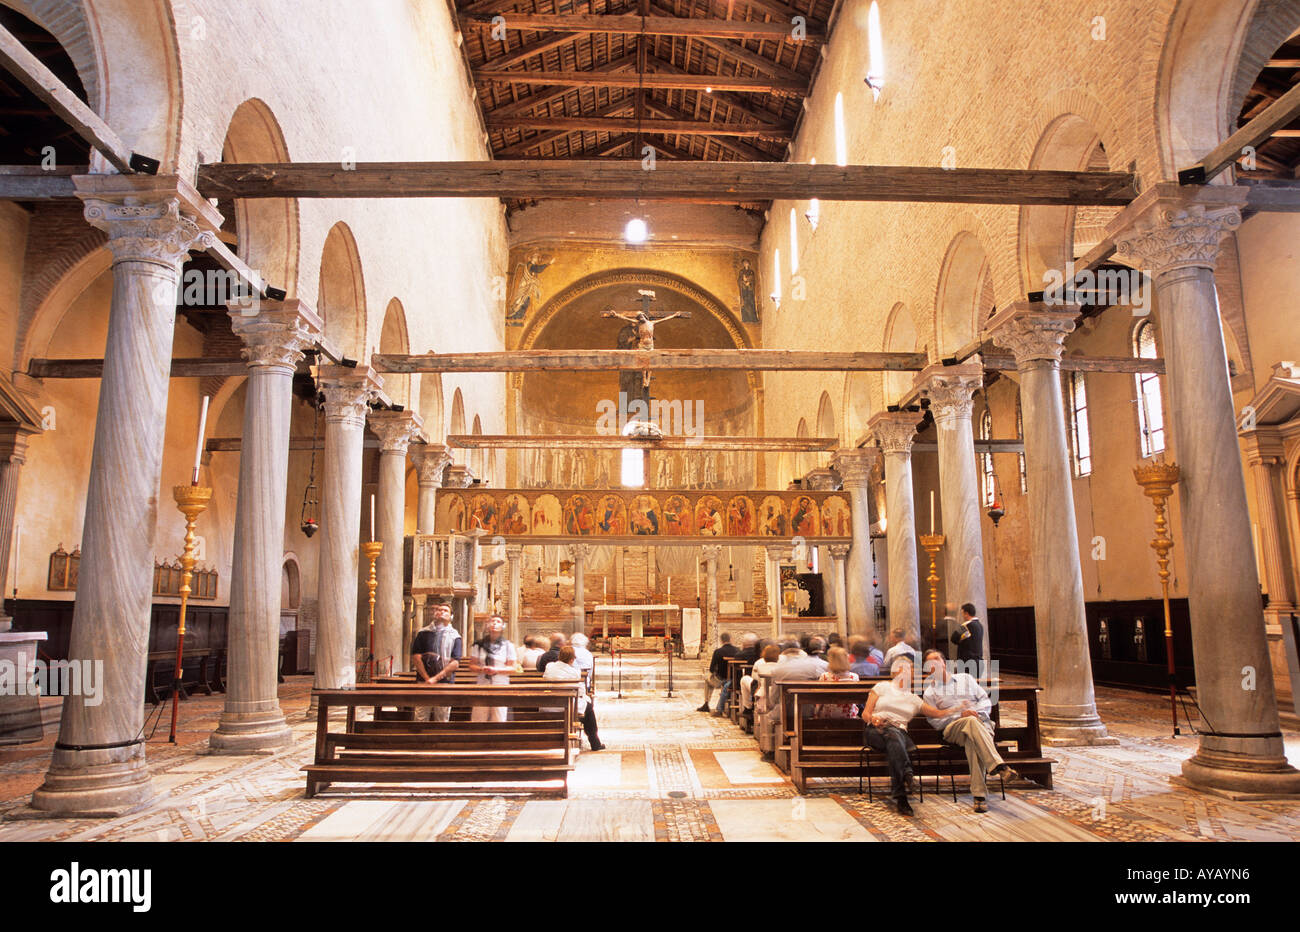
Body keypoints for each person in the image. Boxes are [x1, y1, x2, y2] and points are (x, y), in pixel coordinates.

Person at [860, 655, 952, 816]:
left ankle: (901, 796)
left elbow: (937, 713)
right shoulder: (882, 687)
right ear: (895, 672)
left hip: (897, 735)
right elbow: (865, 714)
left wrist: (957, 709)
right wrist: (873, 719)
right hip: (875, 732)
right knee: (893, 734)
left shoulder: (913, 698)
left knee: (894, 737)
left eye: (910, 670)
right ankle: (907, 774)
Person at [922, 649, 1011, 812]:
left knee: (973, 739)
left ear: (944, 662)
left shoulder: (966, 679)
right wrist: (959, 715)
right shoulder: (930, 693)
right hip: (953, 731)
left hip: (981, 724)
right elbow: (935, 722)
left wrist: (975, 713)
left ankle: (979, 797)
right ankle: (998, 765)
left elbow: (985, 700)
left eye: (937, 659)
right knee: (969, 722)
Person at [544, 645, 604, 751]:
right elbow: (580, 691)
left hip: (549, 703)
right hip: (567, 705)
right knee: (589, 709)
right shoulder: (574, 672)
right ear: (571, 659)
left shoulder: (549, 667)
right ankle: (595, 742)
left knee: (585, 706)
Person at [410, 603, 460, 721]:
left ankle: (440, 739)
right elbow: (416, 657)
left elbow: (455, 662)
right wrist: (427, 678)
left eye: (445, 610)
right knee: (421, 716)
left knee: (442, 717)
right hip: (423, 681)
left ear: (451, 616)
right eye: (439, 610)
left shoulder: (455, 636)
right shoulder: (423, 633)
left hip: (445, 682)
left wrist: (435, 678)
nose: (441, 612)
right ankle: (420, 739)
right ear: (435, 614)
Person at [470, 617, 516, 722]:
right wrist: (482, 669)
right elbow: (472, 665)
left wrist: (496, 670)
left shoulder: (508, 645)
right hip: (482, 683)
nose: (494, 623)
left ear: (502, 626)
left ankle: (497, 736)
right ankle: (478, 737)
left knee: (499, 716)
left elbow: (513, 668)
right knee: (479, 716)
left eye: (498, 621)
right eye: (492, 621)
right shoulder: (479, 645)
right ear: (487, 625)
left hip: (500, 683)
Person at [815, 646, 860, 719]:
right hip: (849, 715)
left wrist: (816, 713)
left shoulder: (825, 677)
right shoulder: (854, 677)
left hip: (829, 715)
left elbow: (820, 700)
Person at [700, 632, 738, 712]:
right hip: (735, 678)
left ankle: (706, 703)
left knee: (707, 679)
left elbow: (711, 669)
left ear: (721, 641)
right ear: (730, 640)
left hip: (721, 679)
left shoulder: (718, 652)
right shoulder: (737, 650)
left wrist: (712, 673)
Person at [742, 642, 781, 713]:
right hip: (778, 696)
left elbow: (755, 680)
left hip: (764, 696)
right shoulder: (781, 666)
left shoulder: (759, 665)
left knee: (744, 679)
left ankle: (747, 707)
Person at [951, 602, 985, 669]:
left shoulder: (966, 626)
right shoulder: (980, 625)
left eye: (962, 613)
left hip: (967, 662)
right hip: (978, 661)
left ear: (966, 613)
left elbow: (953, 638)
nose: (962, 616)